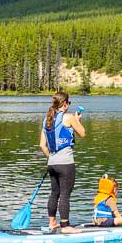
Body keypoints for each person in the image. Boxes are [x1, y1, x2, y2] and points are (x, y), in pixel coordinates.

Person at [39, 90, 85, 232]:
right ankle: (65, 226)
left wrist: (52, 159)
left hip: (52, 163)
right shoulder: (69, 117)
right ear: (65, 104)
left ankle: (52, 222)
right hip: (65, 163)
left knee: (55, 193)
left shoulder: (47, 119)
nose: (69, 105)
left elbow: (42, 145)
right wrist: (77, 120)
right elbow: (82, 134)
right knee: (65, 194)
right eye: (68, 103)